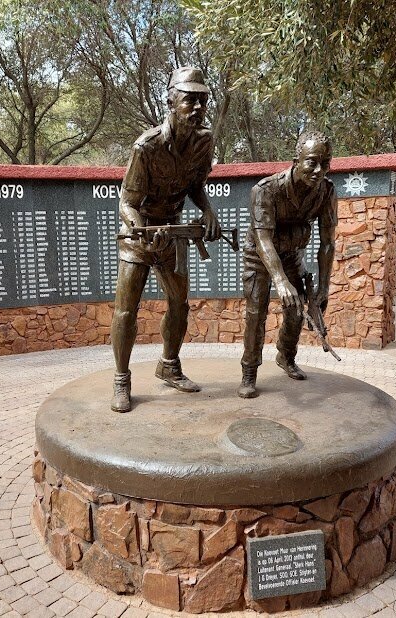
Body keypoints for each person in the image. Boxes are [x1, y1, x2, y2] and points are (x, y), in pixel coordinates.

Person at [110, 67, 221, 413]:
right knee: (127, 309)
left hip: (172, 231)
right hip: (139, 233)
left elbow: (194, 186)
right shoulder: (147, 146)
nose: (198, 107)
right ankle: (121, 380)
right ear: (170, 101)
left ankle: (169, 366)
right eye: (190, 99)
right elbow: (126, 202)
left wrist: (208, 211)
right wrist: (141, 234)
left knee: (179, 303)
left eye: (203, 100)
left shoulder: (204, 142)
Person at [237, 131, 337, 398]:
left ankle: (286, 356)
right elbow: (263, 237)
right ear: (297, 160)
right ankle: (249, 371)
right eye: (312, 162)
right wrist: (280, 280)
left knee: (296, 310)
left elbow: (327, 242)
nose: (319, 170)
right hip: (260, 255)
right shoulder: (265, 189)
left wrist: (324, 286)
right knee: (256, 313)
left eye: (325, 163)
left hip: (292, 254)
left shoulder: (326, 191)